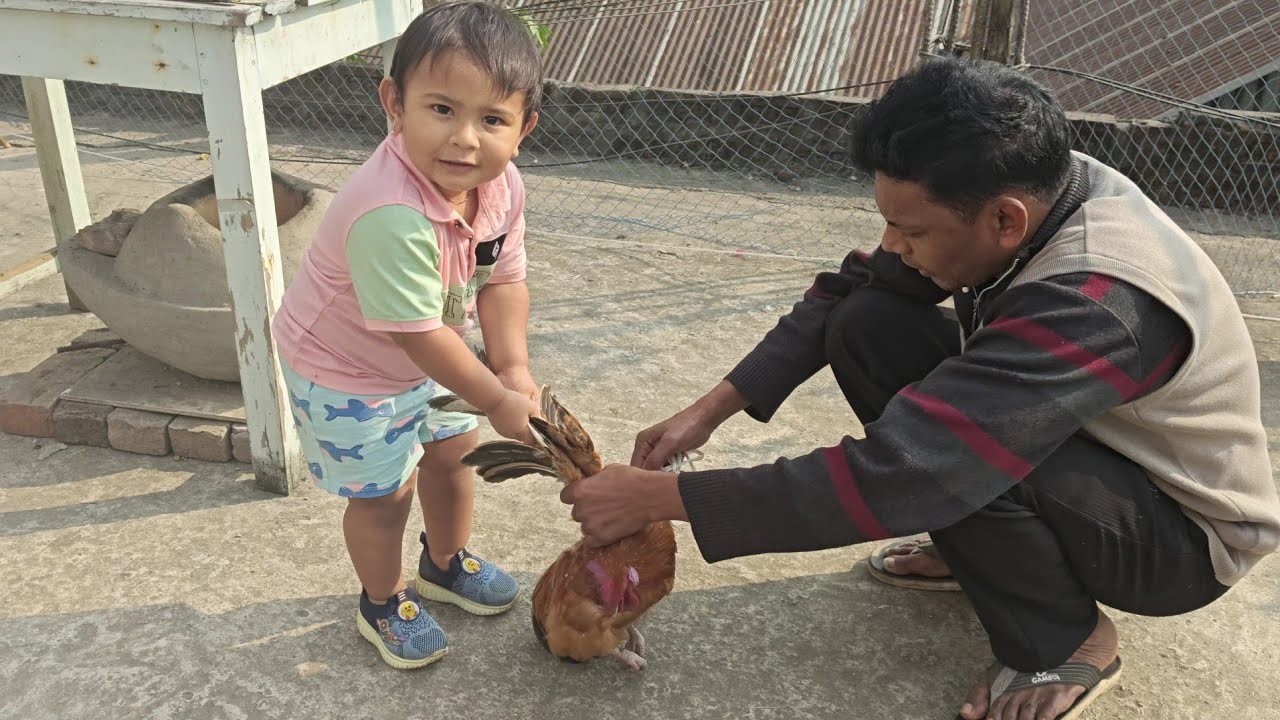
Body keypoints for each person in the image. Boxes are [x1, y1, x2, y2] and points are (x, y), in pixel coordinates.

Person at [561, 57, 1280, 719]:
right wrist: (707, 412)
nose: (893, 244)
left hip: (1177, 541)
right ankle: (984, 549)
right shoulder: (1028, 184)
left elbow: (911, 466)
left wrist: (664, 498)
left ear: (1006, 221)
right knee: (866, 321)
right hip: (1090, 450)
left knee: (946, 461)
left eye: (910, 229)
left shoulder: (1097, 300)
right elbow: (854, 285)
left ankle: (1066, 642)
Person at [270, 1, 543, 669]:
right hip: (346, 371)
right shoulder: (389, 211)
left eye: (492, 120)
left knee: (456, 457)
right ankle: (382, 599)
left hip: (435, 351)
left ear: (523, 129)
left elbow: (503, 281)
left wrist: (514, 370)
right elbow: (419, 338)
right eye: (442, 109)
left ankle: (444, 564)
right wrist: (499, 398)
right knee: (384, 493)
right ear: (394, 101)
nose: (464, 140)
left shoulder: (501, 186)